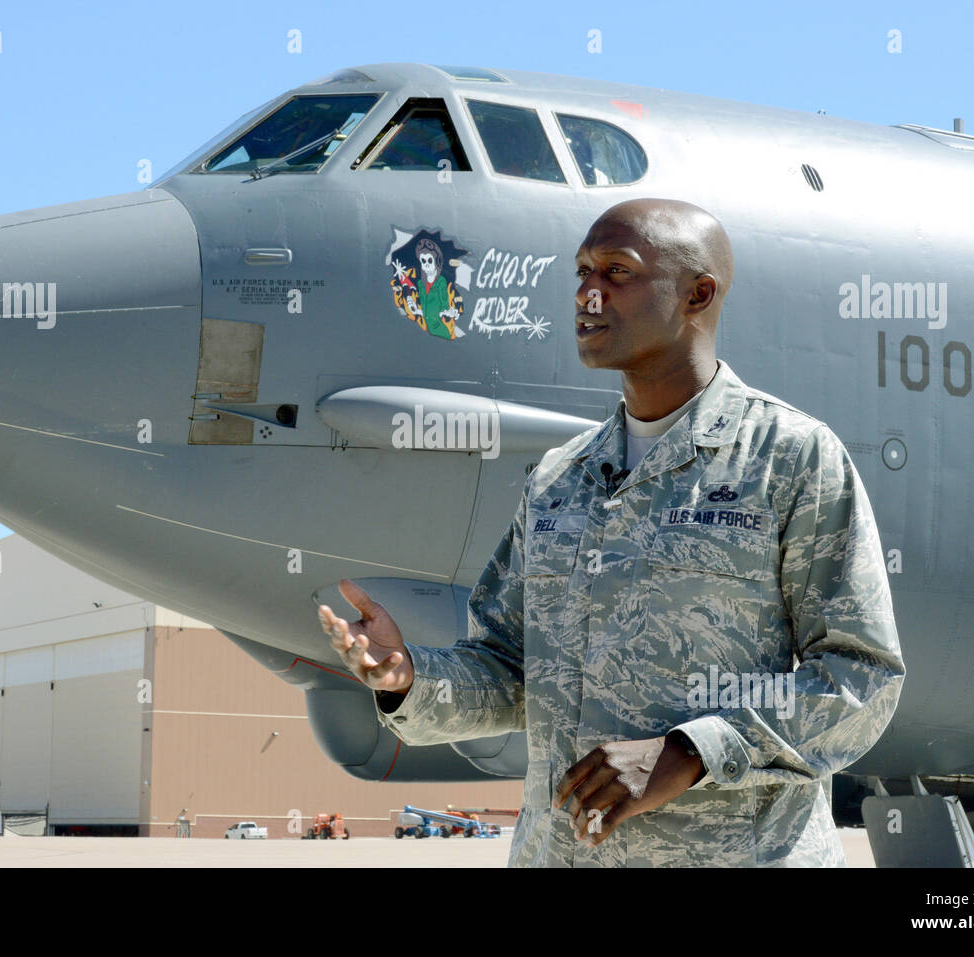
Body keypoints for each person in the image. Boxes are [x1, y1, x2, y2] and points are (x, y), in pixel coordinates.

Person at [318, 198, 904, 866]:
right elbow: (511, 669)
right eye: (581, 272)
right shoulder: (559, 478)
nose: (587, 294)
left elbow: (862, 678)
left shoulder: (789, 457)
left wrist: (691, 752)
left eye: (617, 272)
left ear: (698, 293)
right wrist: (408, 675)